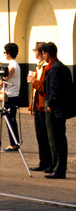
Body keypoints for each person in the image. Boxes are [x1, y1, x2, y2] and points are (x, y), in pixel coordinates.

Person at [41, 41, 70, 179]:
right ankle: (58, 167)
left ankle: (58, 169)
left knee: (55, 139)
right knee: (60, 138)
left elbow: (55, 90)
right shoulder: (62, 67)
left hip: (55, 108)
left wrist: (51, 104)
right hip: (61, 107)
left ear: (46, 54)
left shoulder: (54, 69)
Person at [27, 42, 52, 172]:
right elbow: (34, 90)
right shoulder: (39, 66)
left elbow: (43, 88)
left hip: (43, 106)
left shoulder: (46, 68)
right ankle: (43, 162)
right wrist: (32, 106)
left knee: (45, 136)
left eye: (35, 50)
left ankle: (48, 162)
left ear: (39, 52)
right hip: (37, 106)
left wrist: (34, 81)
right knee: (40, 136)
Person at [0, 42, 22, 152]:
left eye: (5, 52)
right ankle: (14, 142)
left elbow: (2, 82)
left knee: (10, 121)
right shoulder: (14, 64)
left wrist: (1, 78)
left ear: (8, 53)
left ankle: (14, 144)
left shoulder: (12, 66)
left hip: (10, 96)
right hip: (13, 95)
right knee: (11, 120)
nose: (4, 54)